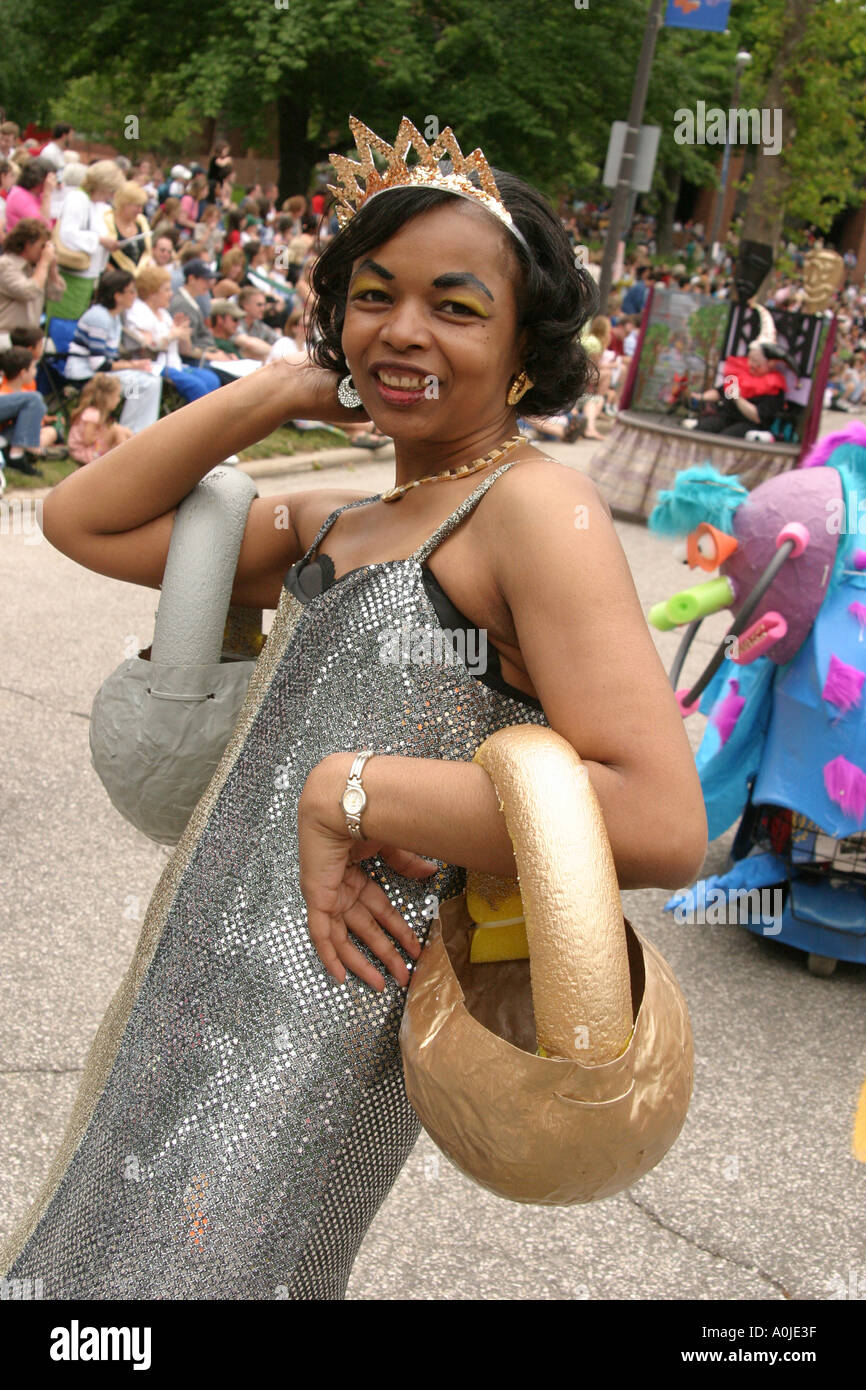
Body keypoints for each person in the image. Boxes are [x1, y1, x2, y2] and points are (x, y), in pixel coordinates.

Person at [0, 116, 706, 1299]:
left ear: (525, 340)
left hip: (324, 1013)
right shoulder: (339, 521)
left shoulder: (532, 512)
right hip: (196, 971)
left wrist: (353, 790)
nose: (403, 329)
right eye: (372, 296)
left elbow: (655, 818)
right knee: (96, 1251)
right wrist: (274, 393)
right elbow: (85, 521)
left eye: (455, 304)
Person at [64, 267, 162, 431]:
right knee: (140, 383)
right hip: (84, 374)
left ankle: (143, 429)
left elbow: (110, 359)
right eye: (131, 292)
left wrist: (135, 365)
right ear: (117, 295)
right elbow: (99, 364)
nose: (135, 296)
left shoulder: (114, 317)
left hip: (101, 372)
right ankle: (129, 430)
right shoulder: (99, 318)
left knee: (152, 379)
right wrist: (132, 366)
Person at [43, 159, 125, 322]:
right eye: (111, 190)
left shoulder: (97, 204)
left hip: (88, 274)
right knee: (64, 320)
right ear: (102, 185)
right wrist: (100, 240)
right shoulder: (78, 199)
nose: (111, 195)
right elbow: (68, 235)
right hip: (72, 274)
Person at [125, 264, 222, 400]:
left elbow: (184, 350)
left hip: (174, 364)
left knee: (212, 379)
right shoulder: (138, 312)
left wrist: (183, 334)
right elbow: (148, 348)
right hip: (152, 366)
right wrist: (172, 335)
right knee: (196, 386)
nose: (171, 294)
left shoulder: (163, 313)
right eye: (166, 290)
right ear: (152, 292)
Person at [694, 340, 790, 438]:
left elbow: (757, 417)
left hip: (752, 424)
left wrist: (738, 398)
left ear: (770, 363)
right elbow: (721, 392)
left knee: (727, 436)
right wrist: (699, 397)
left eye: (756, 362)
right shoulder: (742, 374)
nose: (751, 364)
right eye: (750, 359)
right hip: (729, 417)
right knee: (704, 426)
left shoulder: (774, 387)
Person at [0, 217, 65, 334]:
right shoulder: (5, 265)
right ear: (27, 244)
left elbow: (56, 295)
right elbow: (28, 291)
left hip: (29, 338)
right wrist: (44, 263)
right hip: (7, 337)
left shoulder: (37, 268)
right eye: (42, 246)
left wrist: (52, 268)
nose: (44, 251)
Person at [66, 373, 132, 463]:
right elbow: (87, 440)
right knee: (117, 430)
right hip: (83, 453)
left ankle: (132, 456)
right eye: (117, 396)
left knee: (123, 430)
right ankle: (127, 461)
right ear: (107, 398)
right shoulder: (93, 415)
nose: (118, 400)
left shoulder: (97, 413)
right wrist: (103, 435)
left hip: (92, 449)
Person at [104, 181, 152, 273]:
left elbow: (146, 254)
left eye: (142, 206)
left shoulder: (141, 223)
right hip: (112, 279)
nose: (140, 211)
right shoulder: (106, 221)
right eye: (137, 206)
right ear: (124, 203)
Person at [4, 158, 57, 234]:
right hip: (21, 244)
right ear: (41, 179)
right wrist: (47, 194)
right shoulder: (18, 196)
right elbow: (42, 228)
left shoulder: (38, 195)